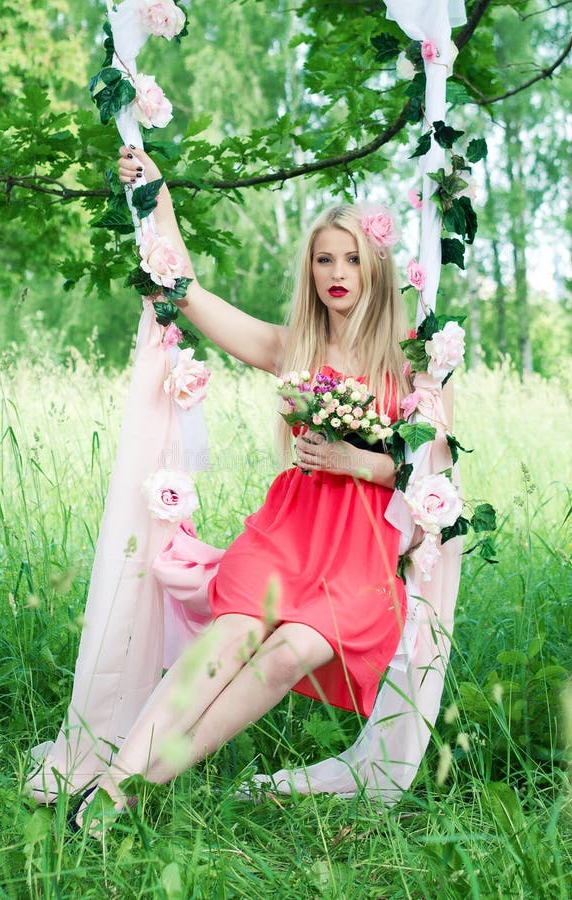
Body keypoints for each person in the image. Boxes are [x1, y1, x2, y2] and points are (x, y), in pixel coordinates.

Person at [76, 145, 450, 829]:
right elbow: (186, 294)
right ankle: (112, 795)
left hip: (361, 551)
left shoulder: (413, 356)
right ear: (309, 271)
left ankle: (133, 783)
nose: (336, 273)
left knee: (289, 652)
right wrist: (157, 197)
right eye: (322, 259)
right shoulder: (292, 346)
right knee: (233, 636)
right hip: (289, 533)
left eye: (350, 259)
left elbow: (437, 478)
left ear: (376, 268)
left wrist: (357, 462)